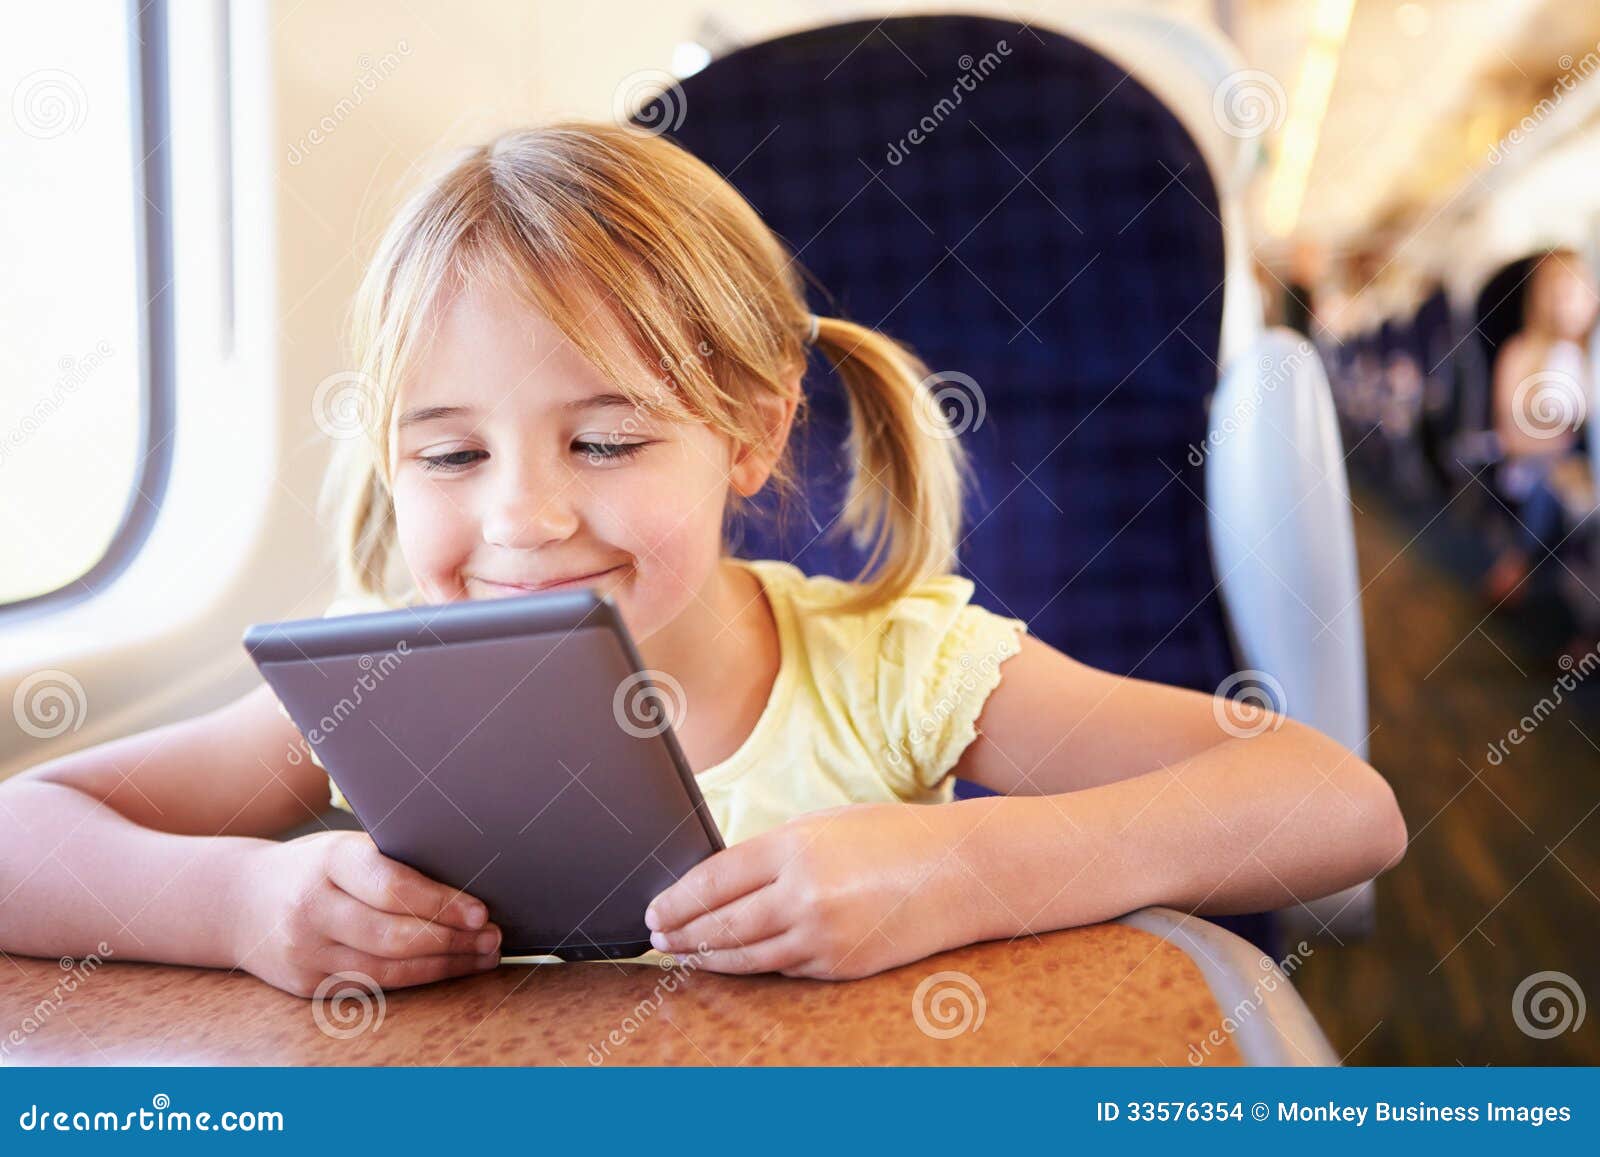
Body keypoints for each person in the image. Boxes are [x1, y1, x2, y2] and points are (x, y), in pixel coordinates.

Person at [0, 123, 1407, 997]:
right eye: (449, 455)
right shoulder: (378, 686)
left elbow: (1331, 802)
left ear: (746, 434)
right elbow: (21, 838)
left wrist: (966, 865)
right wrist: (242, 904)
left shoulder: (893, 669)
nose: (523, 520)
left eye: (603, 444)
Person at [1481, 249, 1598, 608]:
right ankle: (1520, 562)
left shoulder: (1589, 354)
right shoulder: (1520, 352)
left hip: (1577, 464)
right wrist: (1565, 445)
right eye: (1562, 293)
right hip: (1534, 467)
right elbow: (1510, 438)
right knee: (1557, 484)